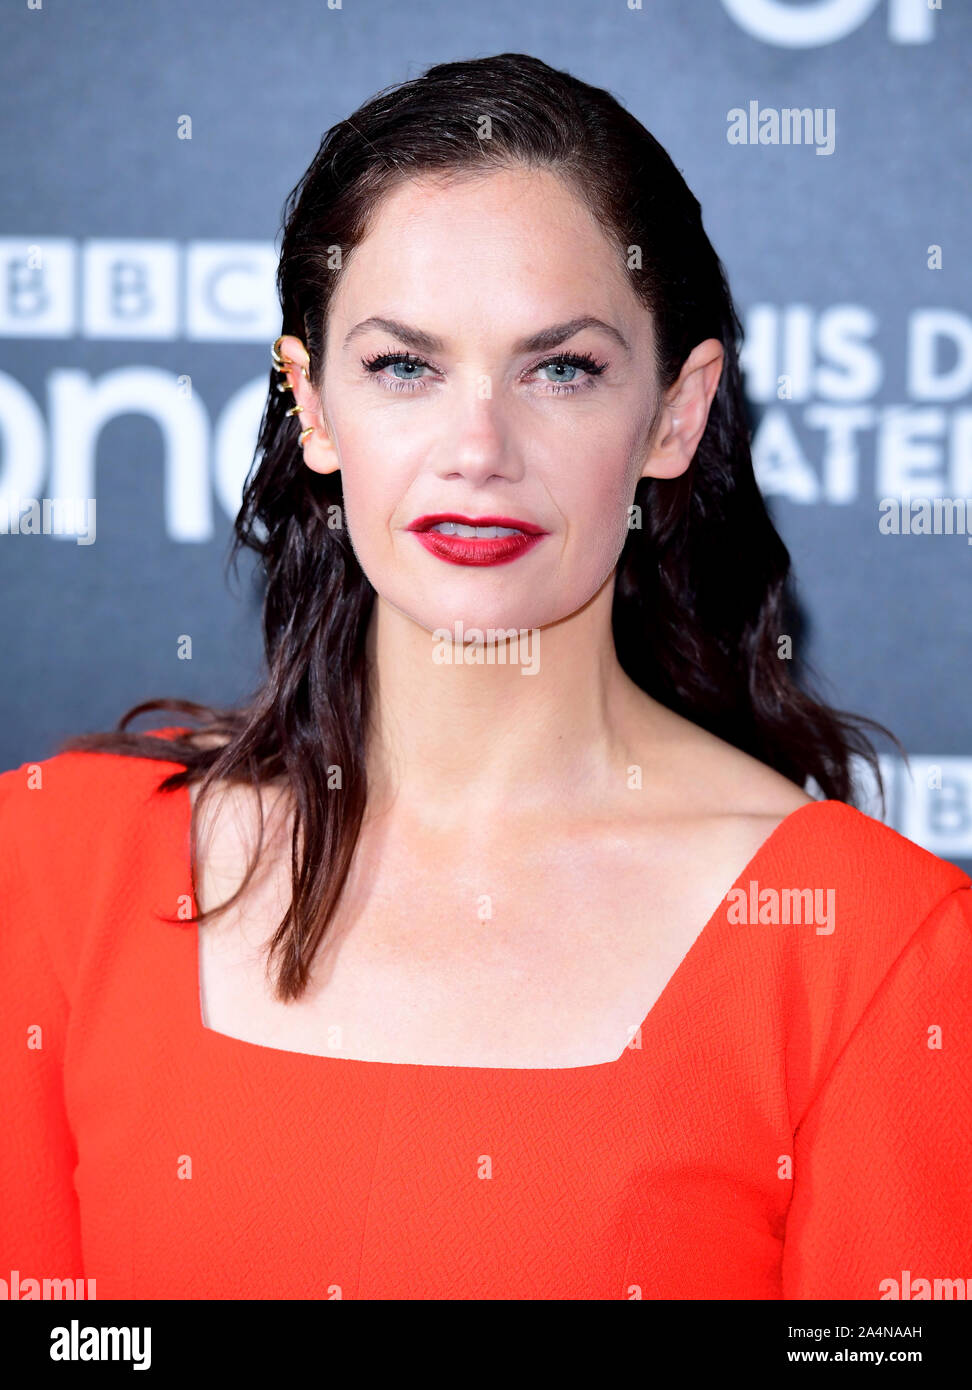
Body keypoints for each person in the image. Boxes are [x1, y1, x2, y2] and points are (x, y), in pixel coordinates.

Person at [2, 52, 969, 1301]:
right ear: (314, 403)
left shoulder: (870, 946)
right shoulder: (50, 876)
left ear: (677, 414)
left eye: (560, 369)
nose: (478, 450)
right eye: (405, 366)